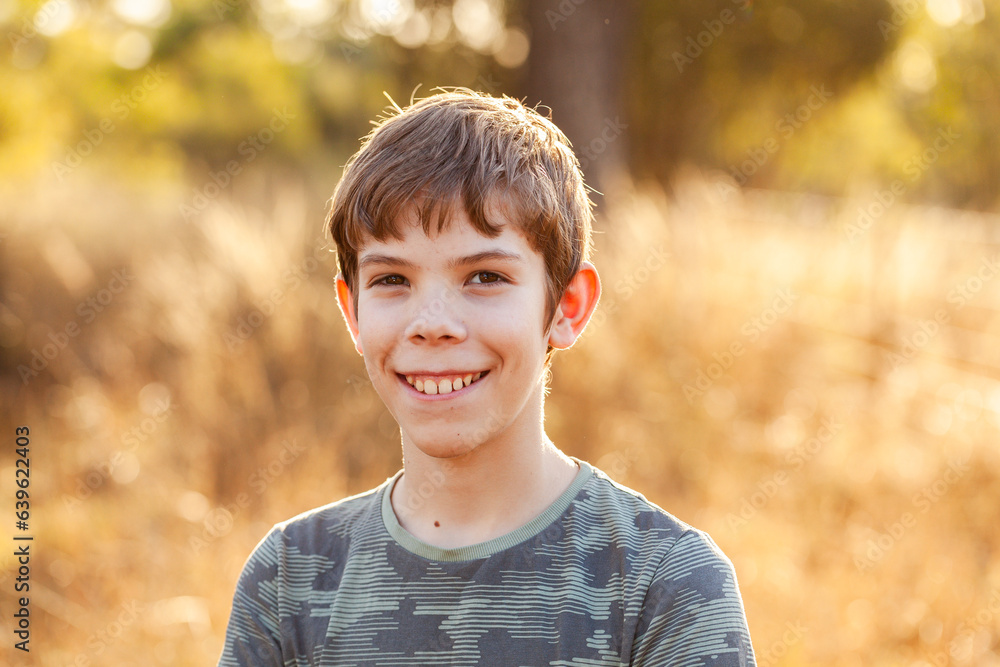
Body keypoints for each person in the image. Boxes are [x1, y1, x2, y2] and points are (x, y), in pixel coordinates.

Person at [219, 88, 756, 666]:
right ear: (352, 312)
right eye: (392, 280)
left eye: (484, 277)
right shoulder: (290, 578)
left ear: (566, 307)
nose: (433, 325)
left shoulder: (665, 586)